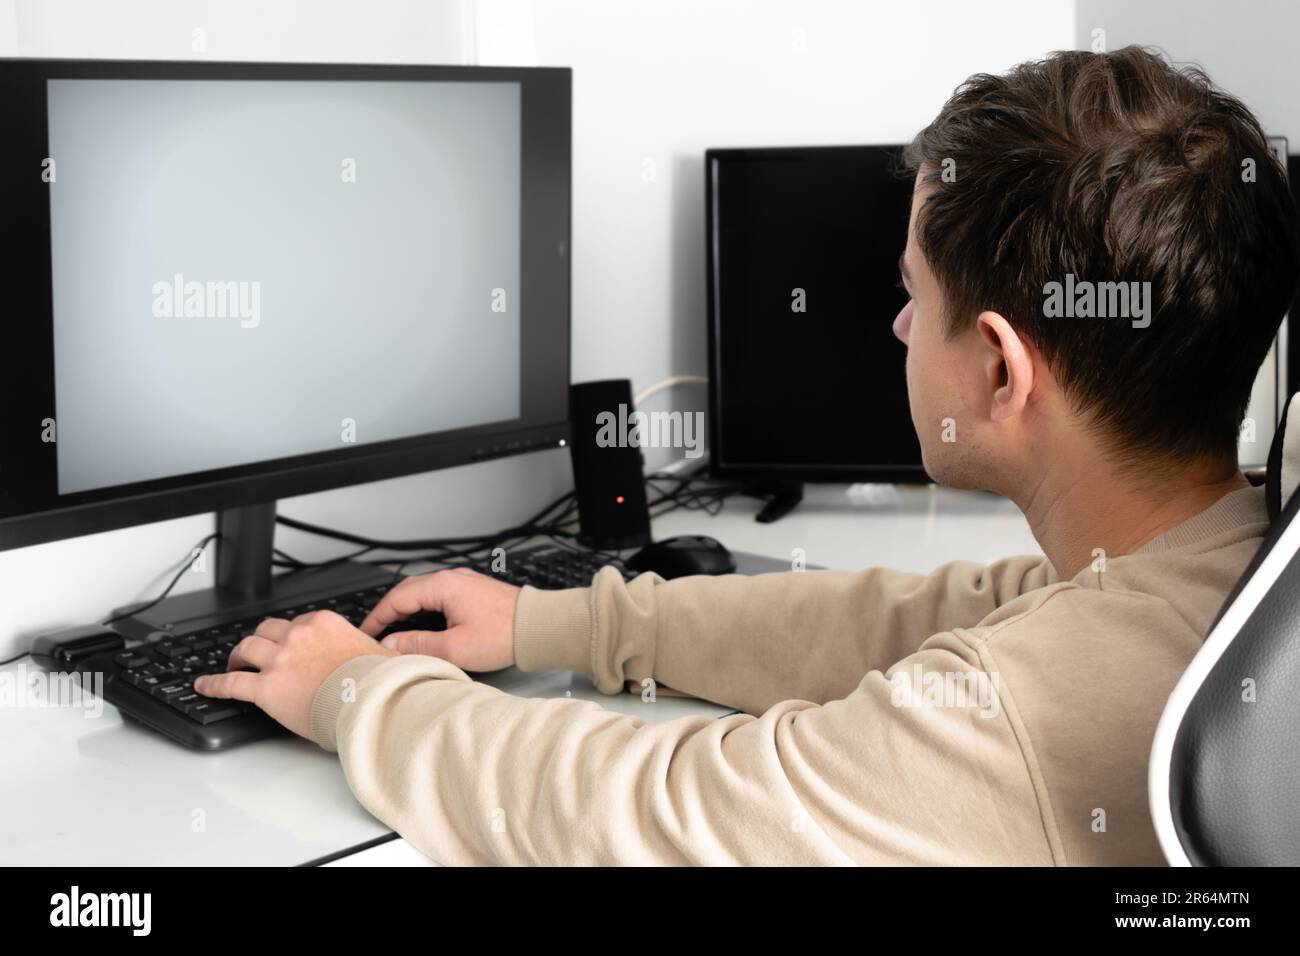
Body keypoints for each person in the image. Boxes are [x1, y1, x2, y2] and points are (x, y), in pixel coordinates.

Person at [194, 46, 1300, 865]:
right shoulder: (1235, 566)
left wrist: (358, 694)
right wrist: (559, 622)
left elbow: (653, 810)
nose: (899, 327)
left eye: (913, 296)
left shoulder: (1025, 712)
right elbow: (917, 622)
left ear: (1002, 371)